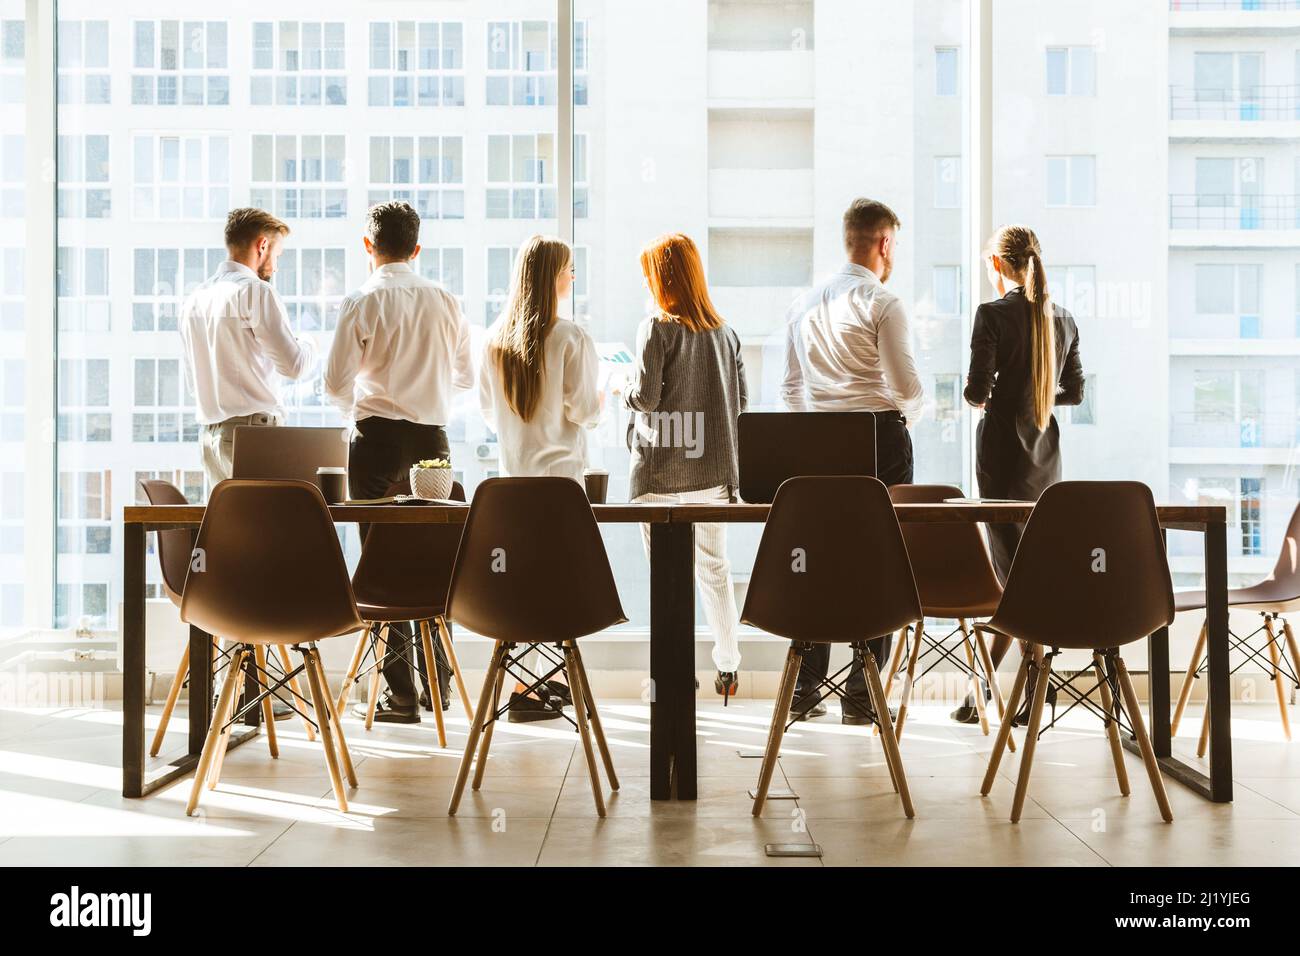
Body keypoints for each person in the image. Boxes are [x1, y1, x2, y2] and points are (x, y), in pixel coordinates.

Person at [325, 200, 473, 724]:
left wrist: (363, 414)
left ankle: (402, 694)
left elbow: (334, 383)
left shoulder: (360, 301)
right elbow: (466, 377)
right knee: (436, 561)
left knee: (381, 565)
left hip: (373, 441)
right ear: (417, 248)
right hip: (432, 440)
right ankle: (442, 686)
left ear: (369, 246)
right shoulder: (445, 300)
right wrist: (427, 393)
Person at [781, 198, 925, 725]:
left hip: (818, 444)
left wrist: (819, 428)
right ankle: (862, 695)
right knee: (877, 559)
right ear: (885, 244)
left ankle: (805, 687)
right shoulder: (882, 302)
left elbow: (791, 388)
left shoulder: (803, 304)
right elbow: (906, 386)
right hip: (879, 441)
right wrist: (909, 411)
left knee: (815, 559)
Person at [955, 224, 1085, 725]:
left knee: (1012, 578)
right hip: (1045, 451)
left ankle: (1024, 689)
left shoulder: (992, 314)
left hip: (1002, 452)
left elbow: (974, 390)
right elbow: (1073, 392)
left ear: (997, 266)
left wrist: (990, 396)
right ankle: (981, 694)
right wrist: (1037, 392)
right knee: (1028, 573)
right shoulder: (1065, 319)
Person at [480, 234, 600, 722]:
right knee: (558, 588)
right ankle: (549, 687)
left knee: (524, 589)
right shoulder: (570, 337)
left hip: (511, 492)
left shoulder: (494, 341)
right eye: (569, 269)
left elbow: (491, 416)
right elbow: (584, 410)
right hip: (563, 492)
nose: (573, 277)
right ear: (554, 277)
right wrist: (604, 401)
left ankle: (528, 689)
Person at [624, 233, 747, 701]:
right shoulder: (725, 334)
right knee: (714, 568)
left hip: (659, 473)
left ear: (663, 278)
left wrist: (623, 390)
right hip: (711, 474)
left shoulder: (656, 328)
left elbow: (648, 397)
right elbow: (741, 406)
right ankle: (728, 665)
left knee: (666, 577)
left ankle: (672, 675)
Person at [179, 208, 315, 491]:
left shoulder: (195, 299)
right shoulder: (255, 292)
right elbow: (295, 366)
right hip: (253, 437)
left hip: (210, 439)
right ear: (262, 245)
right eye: (277, 256)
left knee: (235, 531)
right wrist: (312, 342)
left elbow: (193, 380)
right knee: (268, 528)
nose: (275, 266)